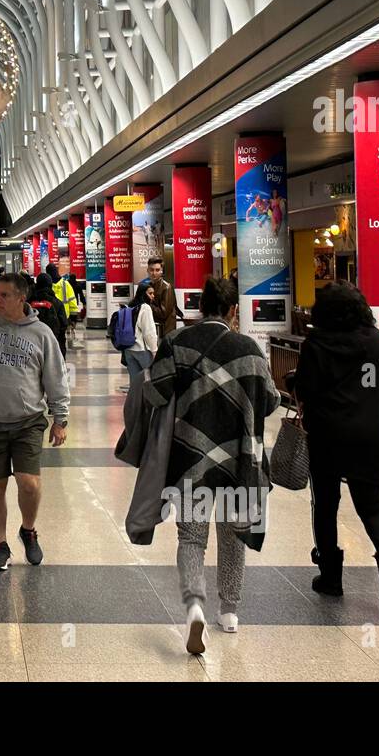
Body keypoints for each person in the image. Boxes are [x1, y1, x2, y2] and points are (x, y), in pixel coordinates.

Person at [143, 277, 279, 654]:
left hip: (192, 458)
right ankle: (230, 612)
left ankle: (195, 607)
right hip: (241, 462)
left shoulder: (179, 343)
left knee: (191, 537)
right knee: (234, 535)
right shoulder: (250, 349)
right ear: (234, 310)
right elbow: (269, 402)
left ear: (202, 306)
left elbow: (154, 392)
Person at [293, 281, 379, 611]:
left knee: (325, 505)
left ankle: (331, 575)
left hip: (327, 433)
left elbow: (306, 388)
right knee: (372, 508)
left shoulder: (317, 343)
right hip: (369, 433)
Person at [0, 273, 69, 570]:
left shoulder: (41, 333)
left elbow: (56, 378)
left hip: (28, 421)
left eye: (5, 295)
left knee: (29, 483)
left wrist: (60, 419)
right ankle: (0, 544)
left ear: (22, 299)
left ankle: (28, 531)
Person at [122, 284, 160, 395]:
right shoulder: (145, 308)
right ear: (143, 293)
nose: (152, 296)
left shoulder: (130, 306)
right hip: (142, 350)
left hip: (128, 349)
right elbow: (149, 332)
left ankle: (135, 407)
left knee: (134, 384)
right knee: (151, 380)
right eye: (150, 293)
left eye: (153, 293)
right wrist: (154, 350)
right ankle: (149, 406)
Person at [136, 257, 179, 338]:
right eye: (151, 270)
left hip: (165, 332)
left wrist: (147, 303)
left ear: (162, 271)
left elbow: (163, 314)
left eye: (157, 270)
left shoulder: (166, 287)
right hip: (152, 330)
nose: (154, 273)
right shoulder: (147, 286)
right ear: (147, 270)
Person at [29, 273, 68, 358]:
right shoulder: (57, 303)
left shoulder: (28, 303)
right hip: (53, 347)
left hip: (31, 348)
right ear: (50, 285)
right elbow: (63, 325)